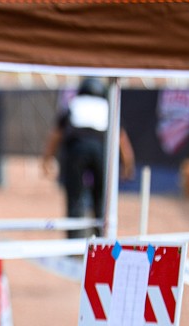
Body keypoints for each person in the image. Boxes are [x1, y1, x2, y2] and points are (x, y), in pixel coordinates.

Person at [40, 77, 135, 234]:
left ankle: (73, 243)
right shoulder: (107, 106)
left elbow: (55, 135)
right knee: (102, 201)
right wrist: (128, 165)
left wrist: (46, 159)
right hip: (100, 152)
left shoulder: (73, 104)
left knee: (74, 199)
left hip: (76, 151)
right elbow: (122, 139)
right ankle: (101, 243)